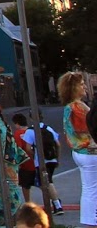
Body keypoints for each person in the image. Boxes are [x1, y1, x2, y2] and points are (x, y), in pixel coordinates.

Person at [59, 71, 97, 228]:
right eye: (81, 85)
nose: (85, 87)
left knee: (88, 188)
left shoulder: (69, 107)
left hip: (79, 152)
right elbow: (89, 128)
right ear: (74, 87)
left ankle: (90, 220)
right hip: (89, 151)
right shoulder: (79, 108)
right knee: (91, 190)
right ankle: (91, 221)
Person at [0, 107, 26, 227]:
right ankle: (15, 220)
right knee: (12, 192)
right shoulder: (4, 124)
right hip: (10, 164)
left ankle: (2, 222)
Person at [13, 111, 63, 214]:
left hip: (40, 161)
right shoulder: (48, 128)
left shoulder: (31, 131)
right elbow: (58, 144)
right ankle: (53, 203)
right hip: (52, 159)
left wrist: (35, 156)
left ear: (31, 118)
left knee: (47, 182)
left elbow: (27, 148)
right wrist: (57, 158)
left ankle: (57, 205)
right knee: (46, 181)